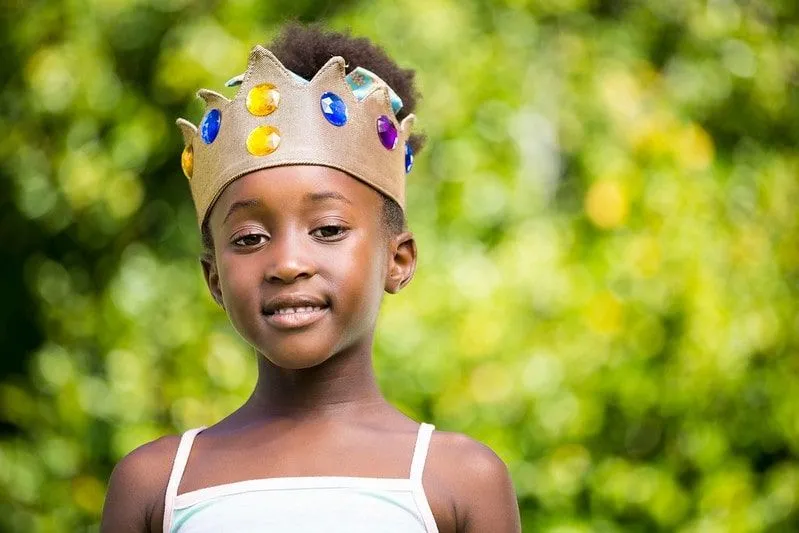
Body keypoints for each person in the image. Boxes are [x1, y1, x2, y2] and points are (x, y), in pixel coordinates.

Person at [100, 23, 521, 533]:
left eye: (327, 229)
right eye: (250, 238)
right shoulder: (157, 486)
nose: (287, 263)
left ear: (399, 259)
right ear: (214, 278)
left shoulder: (459, 482)